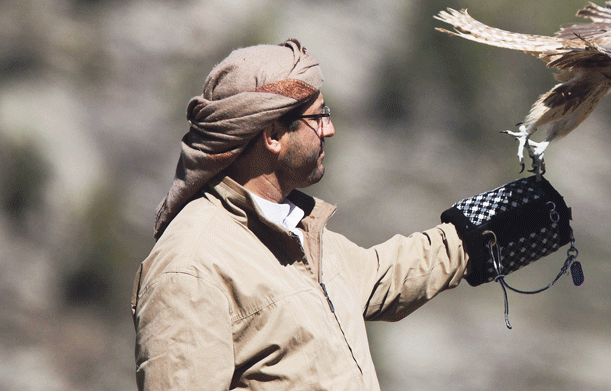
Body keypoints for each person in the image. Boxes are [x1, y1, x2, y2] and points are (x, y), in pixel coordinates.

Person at [131, 39, 471, 390]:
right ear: (274, 135)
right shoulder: (190, 266)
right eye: (319, 116)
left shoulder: (298, 231)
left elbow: (389, 273)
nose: (329, 129)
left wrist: (494, 223)